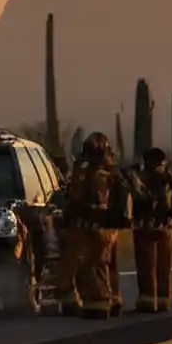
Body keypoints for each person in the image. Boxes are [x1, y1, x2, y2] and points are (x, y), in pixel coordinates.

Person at [56, 132, 122, 319]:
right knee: (109, 264)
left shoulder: (93, 176)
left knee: (92, 265)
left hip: (94, 227)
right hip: (109, 228)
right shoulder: (112, 174)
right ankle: (114, 300)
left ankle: (97, 304)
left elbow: (78, 200)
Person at [130, 147, 172, 313]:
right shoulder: (171, 181)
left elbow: (135, 198)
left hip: (144, 228)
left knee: (146, 264)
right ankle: (163, 299)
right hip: (165, 228)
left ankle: (148, 298)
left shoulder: (141, 179)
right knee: (164, 264)